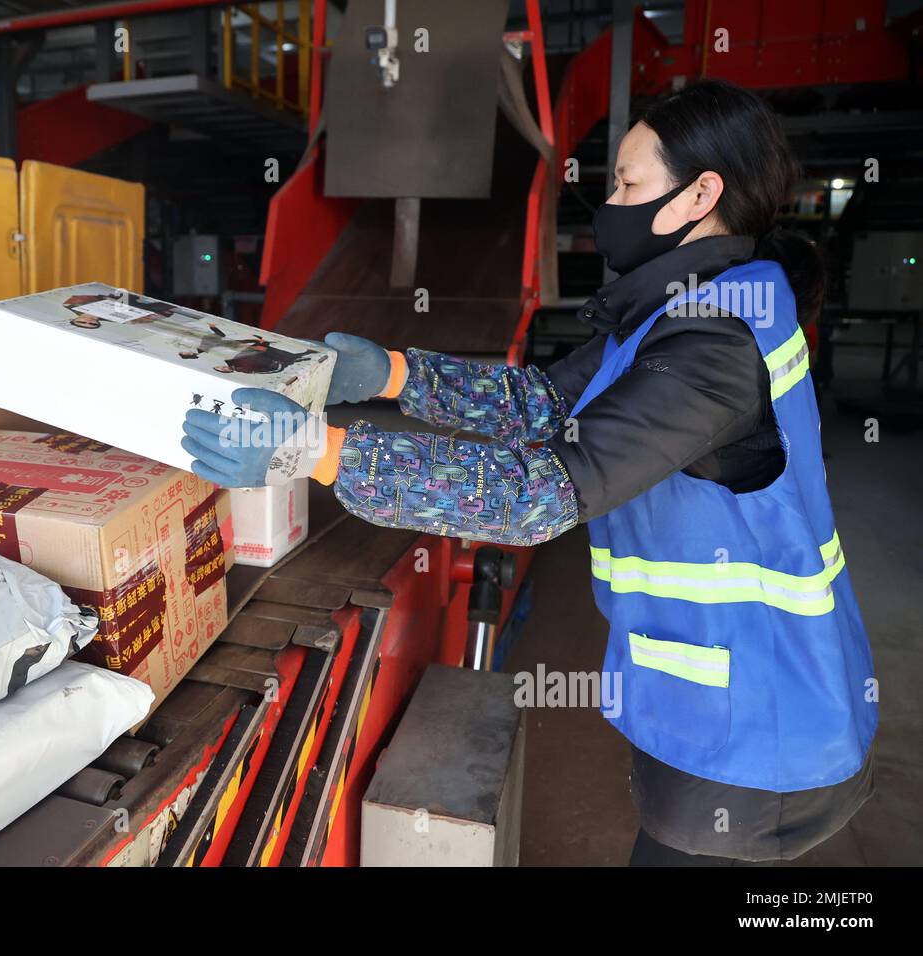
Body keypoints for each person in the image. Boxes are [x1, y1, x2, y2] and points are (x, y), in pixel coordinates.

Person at [181, 79, 877, 866]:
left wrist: (316, 450)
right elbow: (547, 402)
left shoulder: (714, 341)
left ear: (700, 195)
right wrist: (392, 375)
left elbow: (541, 494)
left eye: (627, 183)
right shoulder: (681, 307)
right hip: (711, 695)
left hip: (760, 723)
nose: (609, 201)